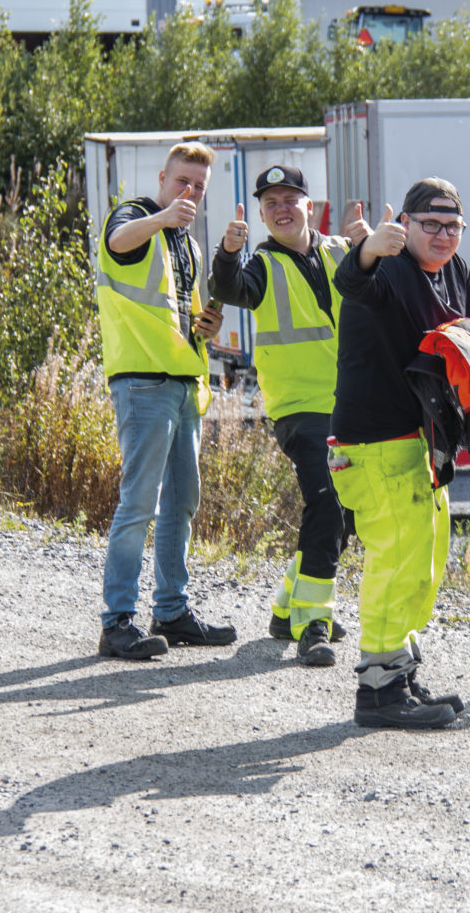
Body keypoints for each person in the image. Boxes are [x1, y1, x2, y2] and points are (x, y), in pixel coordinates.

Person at [330, 177, 470, 729]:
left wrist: (462, 343)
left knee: (423, 563)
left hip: (422, 441)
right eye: (431, 225)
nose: (443, 236)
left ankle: (399, 672)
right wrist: (369, 249)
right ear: (405, 223)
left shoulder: (455, 271)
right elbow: (353, 282)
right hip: (374, 441)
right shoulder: (390, 265)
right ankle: (378, 691)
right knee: (396, 560)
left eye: (453, 226)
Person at [210, 164, 357, 667]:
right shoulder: (260, 265)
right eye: (270, 203)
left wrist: (376, 246)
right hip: (298, 407)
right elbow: (230, 290)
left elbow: (379, 287)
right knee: (329, 504)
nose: (281, 209)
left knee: (347, 514)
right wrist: (228, 252)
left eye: (289, 199)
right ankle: (313, 622)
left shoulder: (341, 251)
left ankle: (284, 607)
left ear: (308, 206)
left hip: (350, 404)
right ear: (261, 214)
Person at [95, 142, 237, 660]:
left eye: (199, 186)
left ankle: (172, 611)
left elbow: (187, 318)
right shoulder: (136, 217)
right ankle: (117, 622)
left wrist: (208, 325)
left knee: (181, 503)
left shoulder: (189, 246)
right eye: (182, 181)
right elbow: (116, 239)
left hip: (180, 384)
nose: (190, 192)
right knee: (138, 503)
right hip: (142, 382)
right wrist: (163, 218)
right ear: (163, 176)